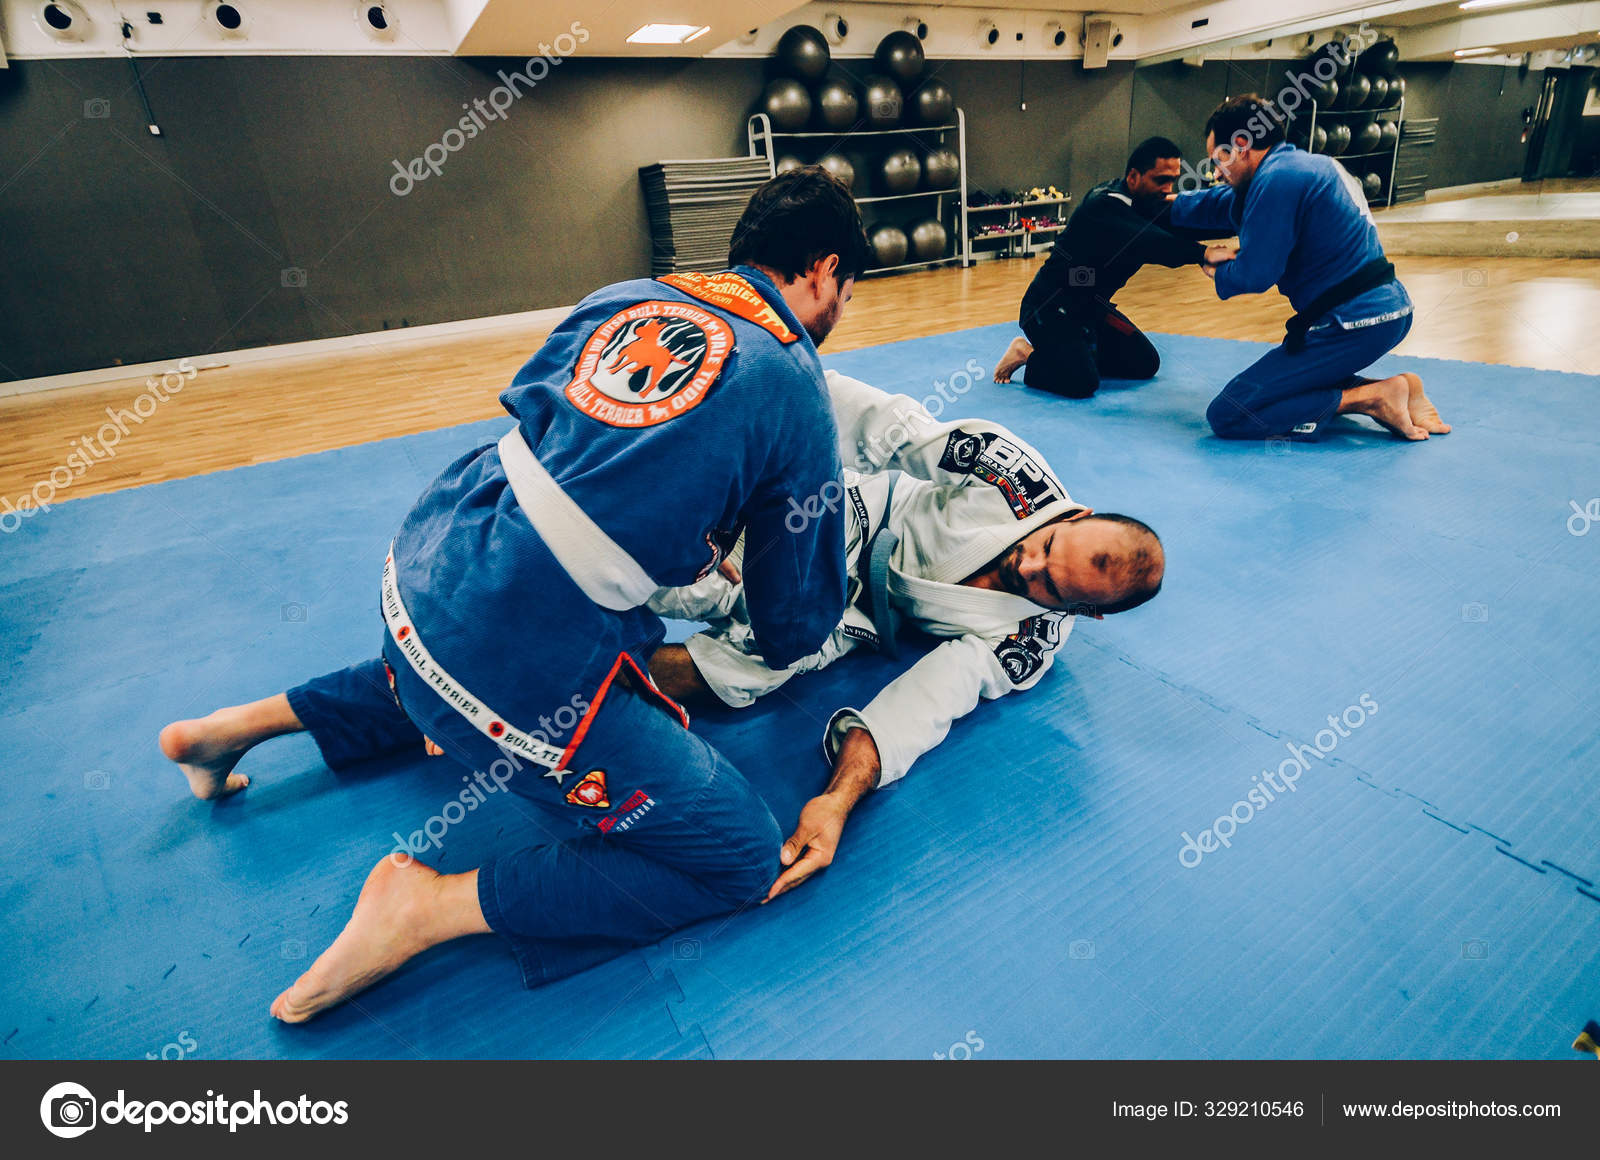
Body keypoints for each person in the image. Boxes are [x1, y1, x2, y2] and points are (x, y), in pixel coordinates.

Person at [159, 166, 871, 1022]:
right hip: (504, 653)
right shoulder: (794, 380)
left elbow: (550, 426)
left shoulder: (631, 292)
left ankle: (233, 729)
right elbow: (793, 627)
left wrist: (691, 526)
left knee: (517, 614)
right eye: (847, 290)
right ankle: (427, 909)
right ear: (825, 270)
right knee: (738, 855)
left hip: (426, 558)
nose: (840, 311)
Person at [648, 369, 1165, 899]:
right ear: (1077, 515)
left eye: (1049, 586)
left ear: (1085, 613)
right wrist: (770, 390)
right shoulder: (1011, 472)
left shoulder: (1028, 641)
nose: (1028, 563)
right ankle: (579, 575)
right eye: (1049, 545)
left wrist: (837, 801)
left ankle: (599, 681)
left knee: (756, 668)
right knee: (704, 581)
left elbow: (928, 703)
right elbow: (889, 424)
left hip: (862, 617)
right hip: (854, 517)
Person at [1169, 94, 1450, 442]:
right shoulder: (1300, 167)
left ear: (1241, 145)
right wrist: (1165, 206)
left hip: (1352, 323)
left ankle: (1373, 398)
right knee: (1292, 384)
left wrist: (1217, 268)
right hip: (1384, 311)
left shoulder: (1278, 180)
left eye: (1219, 158)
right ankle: (1399, 389)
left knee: (1231, 413)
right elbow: (1223, 204)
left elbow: (1257, 274)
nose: (1215, 171)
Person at [993, 136, 1233, 397]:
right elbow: (1148, 241)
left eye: (1172, 180)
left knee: (1145, 363)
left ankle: (1076, 353)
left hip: (1091, 308)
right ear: (1133, 177)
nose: (1167, 188)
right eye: (1160, 179)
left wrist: (1244, 222)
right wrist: (1203, 253)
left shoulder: (1146, 204)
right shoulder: (1104, 205)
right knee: (1082, 384)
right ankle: (1027, 353)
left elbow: (1182, 226)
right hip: (1048, 310)